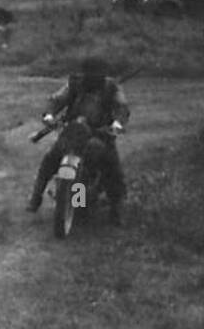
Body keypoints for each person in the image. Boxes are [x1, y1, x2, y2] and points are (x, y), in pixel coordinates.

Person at [26, 56, 130, 224]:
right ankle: (36, 196)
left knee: (112, 167)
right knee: (51, 158)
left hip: (100, 134)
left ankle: (117, 208)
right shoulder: (75, 84)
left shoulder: (111, 87)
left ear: (103, 74)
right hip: (73, 132)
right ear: (84, 73)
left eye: (97, 73)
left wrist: (117, 124)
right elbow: (57, 99)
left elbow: (121, 106)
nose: (93, 77)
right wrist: (49, 114)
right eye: (90, 73)